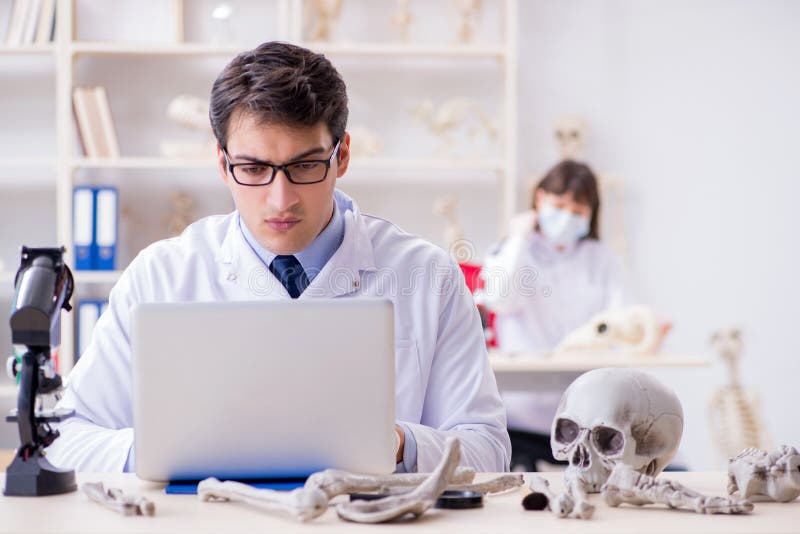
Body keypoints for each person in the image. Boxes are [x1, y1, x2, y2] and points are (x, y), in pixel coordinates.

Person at [46, 42, 510, 474]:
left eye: (305, 166)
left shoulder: (428, 276)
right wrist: (163, 448)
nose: (280, 199)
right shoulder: (160, 276)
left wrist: (398, 442)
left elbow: (488, 450)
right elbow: (65, 438)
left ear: (342, 156)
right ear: (223, 164)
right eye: (253, 169)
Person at [480, 160, 624, 471]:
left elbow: (618, 323)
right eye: (559, 205)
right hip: (519, 412)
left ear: (591, 213)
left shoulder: (602, 259)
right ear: (539, 199)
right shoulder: (512, 249)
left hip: (585, 411)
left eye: (577, 211)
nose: (566, 217)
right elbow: (499, 300)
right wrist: (519, 237)